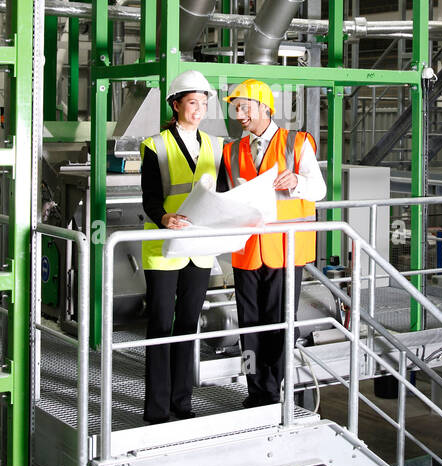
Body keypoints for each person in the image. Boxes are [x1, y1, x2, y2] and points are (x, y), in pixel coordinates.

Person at [218, 79, 326, 409]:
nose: (239, 113)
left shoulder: (296, 143)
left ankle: (273, 387)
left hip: (284, 249)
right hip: (247, 249)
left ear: (265, 107)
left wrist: (297, 181)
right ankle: (256, 389)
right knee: (248, 327)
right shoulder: (231, 150)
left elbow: (319, 190)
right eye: (236, 107)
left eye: (245, 106)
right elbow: (226, 197)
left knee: (280, 324)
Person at [139, 70, 223, 424]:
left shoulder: (216, 145)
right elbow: (150, 197)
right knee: (160, 325)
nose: (199, 109)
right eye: (193, 103)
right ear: (176, 105)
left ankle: (181, 403)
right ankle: (157, 410)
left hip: (200, 248)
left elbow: (222, 193)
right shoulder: (155, 145)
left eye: (203, 103)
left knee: (188, 323)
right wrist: (163, 217)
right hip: (163, 246)